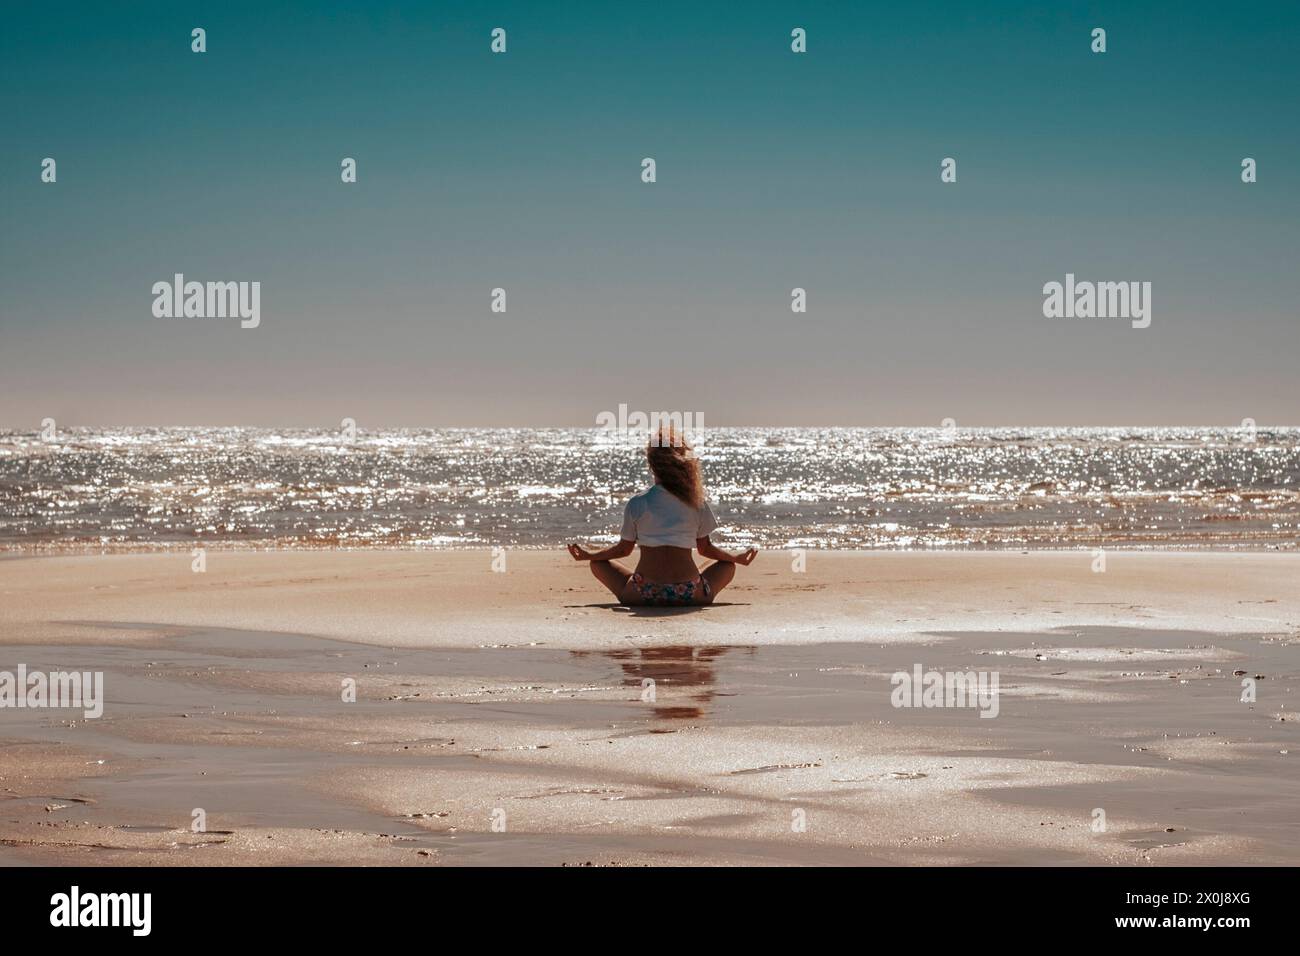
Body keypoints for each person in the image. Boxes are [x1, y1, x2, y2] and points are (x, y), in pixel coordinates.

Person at [567, 427, 757, 606]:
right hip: (689, 593)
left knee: (598, 564)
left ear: (651, 465)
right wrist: (735, 557)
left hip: (644, 593)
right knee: (726, 565)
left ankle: (644, 585)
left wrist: (590, 555)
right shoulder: (696, 503)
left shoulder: (638, 503)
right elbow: (705, 549)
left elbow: (623, 550)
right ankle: (691, 584)